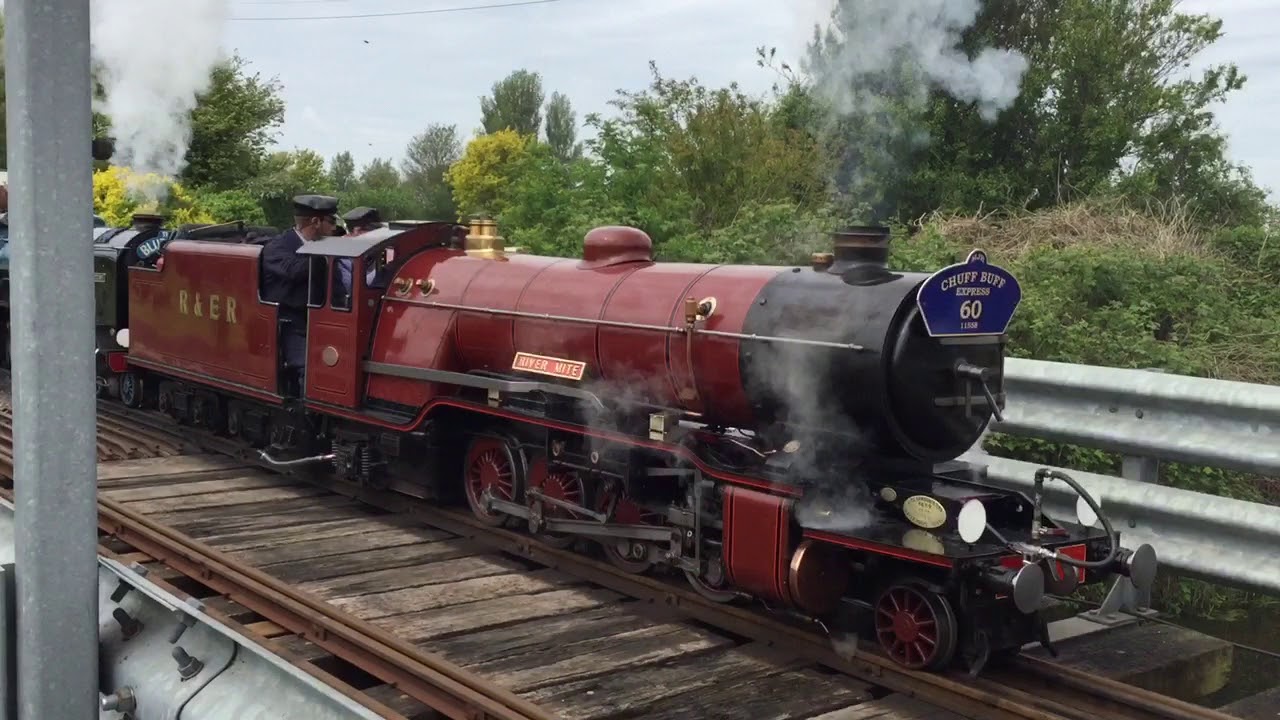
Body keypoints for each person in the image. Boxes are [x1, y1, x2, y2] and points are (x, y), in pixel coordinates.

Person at [261, 194, 340, 391]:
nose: (334, 228)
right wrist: (325, 249)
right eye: (331, 222)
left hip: (322, 321)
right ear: (315, 222)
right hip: (290, 324)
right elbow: (295, 271)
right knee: (309, 367)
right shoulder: (276, 248)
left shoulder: (326, 246)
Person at [335, 206, 385, 296]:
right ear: (357, 231)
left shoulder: (371, 252)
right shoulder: (340, 255)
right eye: (373, 232)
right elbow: (352, 288)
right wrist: (383, 271)